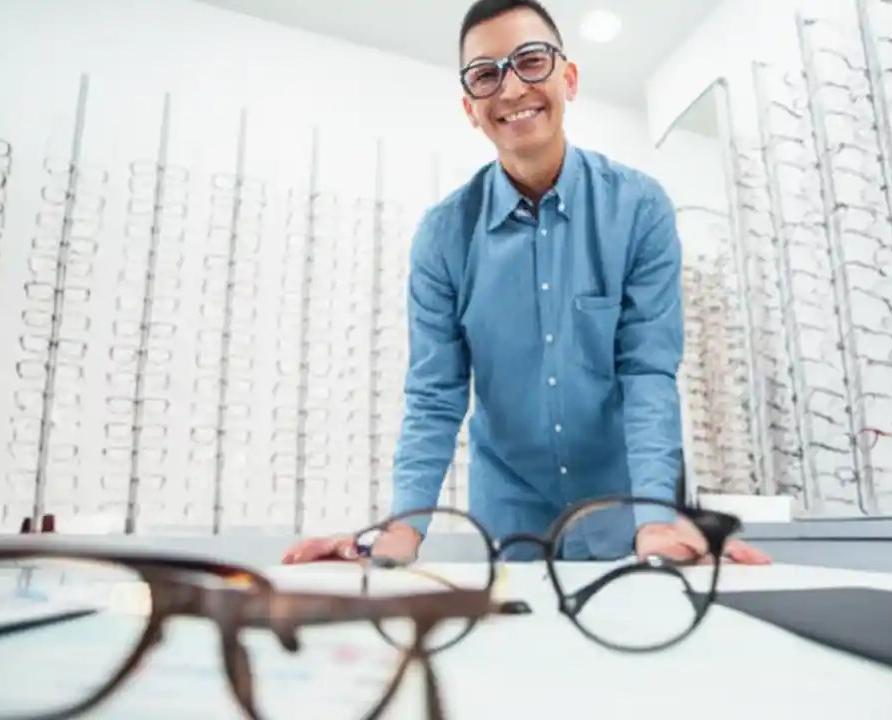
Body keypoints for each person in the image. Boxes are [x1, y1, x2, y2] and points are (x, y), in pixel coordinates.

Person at [283, 0, 770, 565]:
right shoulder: (443, 237)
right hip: (512, 516)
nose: (511, 89)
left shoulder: (639, 208)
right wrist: (399, 533)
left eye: (530, 61)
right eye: (486, 74)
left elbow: (648, 374)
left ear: (569, 77)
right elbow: (434, 395)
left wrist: (658, 520)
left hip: (629, 507)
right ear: (471, 108)